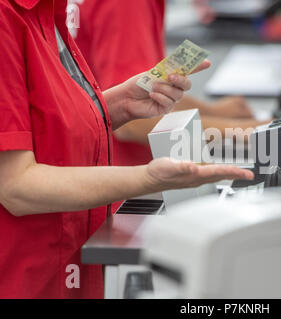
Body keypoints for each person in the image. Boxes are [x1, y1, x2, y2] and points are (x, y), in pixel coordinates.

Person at [0, 0, 253, 299]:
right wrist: (147, 178)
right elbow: (15, 186)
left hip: (68, 261)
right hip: (29, 276)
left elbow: (43, 126)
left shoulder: (46, 11)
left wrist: (113, 107)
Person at [74, 0, 270, 170]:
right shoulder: (127, 4)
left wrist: (212, 110)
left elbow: (147, 96)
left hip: (90, 168)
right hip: (117, 180)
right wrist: (245, 131)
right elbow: (132, 119)